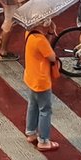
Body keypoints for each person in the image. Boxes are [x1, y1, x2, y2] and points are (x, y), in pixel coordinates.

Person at [23, 20, 60, 151]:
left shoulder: (29, 33)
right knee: (45, 110)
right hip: (41, 80)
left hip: (31, 77)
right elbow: (51, 56)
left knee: (32, 105)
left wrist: (49, 32)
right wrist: (50, 32)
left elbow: (44, 49)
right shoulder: (40, 40)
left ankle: (31, 133)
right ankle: (44, 141)